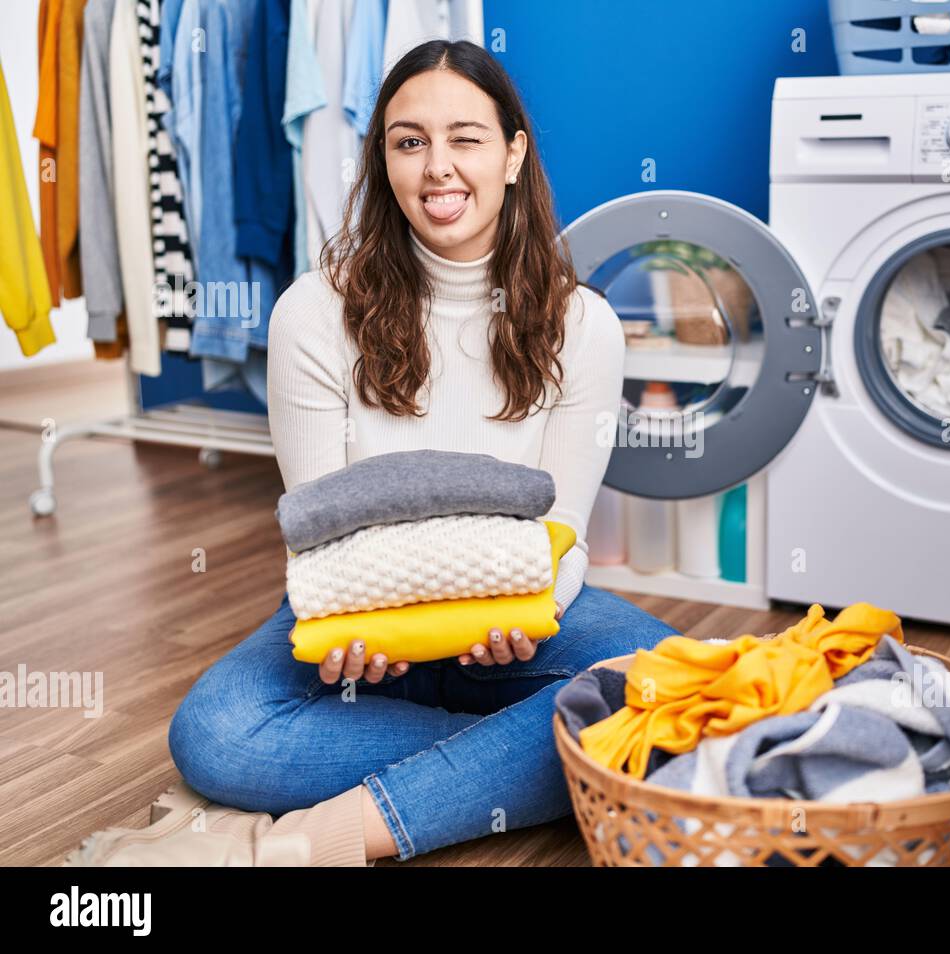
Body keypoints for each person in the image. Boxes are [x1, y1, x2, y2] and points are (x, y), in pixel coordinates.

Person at [65, 39, 680, 867]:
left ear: (512, 154)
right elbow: (321, 527)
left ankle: (335, 831)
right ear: (383, 158)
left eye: (466, 137)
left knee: (671, 685)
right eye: (409, 140)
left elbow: (562, 529)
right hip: (357, 619)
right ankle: (530, 754)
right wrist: (351, 620)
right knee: (215, 735)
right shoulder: (314, 314)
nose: (439, 168)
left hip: (525, 616)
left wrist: (509, 614)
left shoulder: (584, 325)